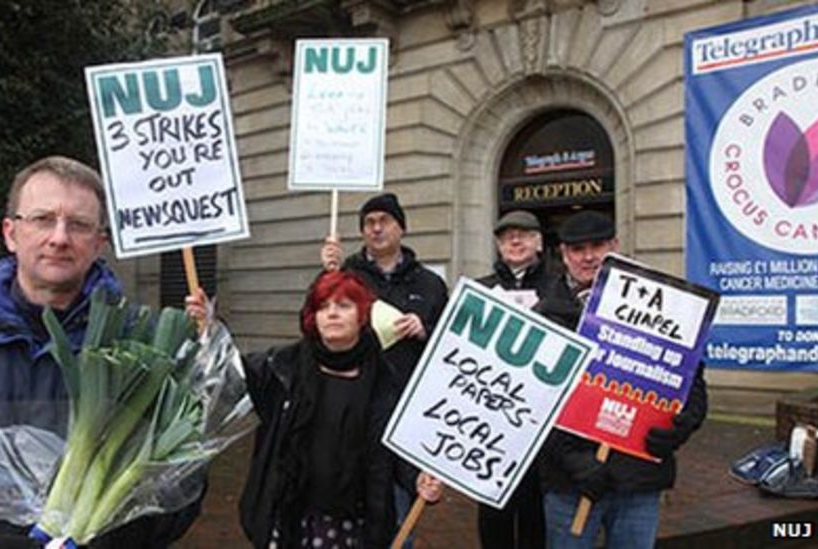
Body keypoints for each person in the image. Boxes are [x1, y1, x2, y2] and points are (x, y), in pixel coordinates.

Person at [0, 156, 203, 549]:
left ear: (100, 242)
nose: (59, 237)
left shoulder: (143, 350)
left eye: (78, 224)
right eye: (43, 219)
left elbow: (183, 484)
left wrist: (110, 535)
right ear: (11, 233)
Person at [186, 271, 443, 548]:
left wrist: (419, 478)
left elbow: (399, 448)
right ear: (313, 317)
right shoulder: (282, 367)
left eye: (344, 306)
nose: (332, 314)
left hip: (357, 522)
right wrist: (208, 328)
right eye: (323, 306)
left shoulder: (385, 380)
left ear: (362, 316)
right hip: (290, 519)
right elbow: (229, 375)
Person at [534, 210, 707, 549]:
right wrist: (572, 460)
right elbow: (530, 403)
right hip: (570, 485)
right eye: (577, 248)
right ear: (564, 255)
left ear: (615, 245)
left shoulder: (663, 307)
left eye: (597, 245)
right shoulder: (545, 315)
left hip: (638, 481)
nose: (588, 256)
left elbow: (693, 384)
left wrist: (680, 427)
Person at [320, 193, 448, 541]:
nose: (376, 229)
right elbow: (319, 325)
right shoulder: (346, 276)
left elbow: (449, 348)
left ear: (401, 227)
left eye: (384, 221)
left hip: (408, 414)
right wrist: (327, 274)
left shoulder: (430, 284)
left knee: (398, 515)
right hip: (354, 410)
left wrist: (425, 331)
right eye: (368, 223)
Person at [476, 209, 555, 549]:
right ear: (498, 244)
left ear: (539, 241)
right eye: (507, 236)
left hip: (541, 423)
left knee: (536, 515)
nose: (515, 240)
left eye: (523, 233)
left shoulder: (558, 289)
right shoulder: (479, 290)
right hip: (492, 423)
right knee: (493, 512)